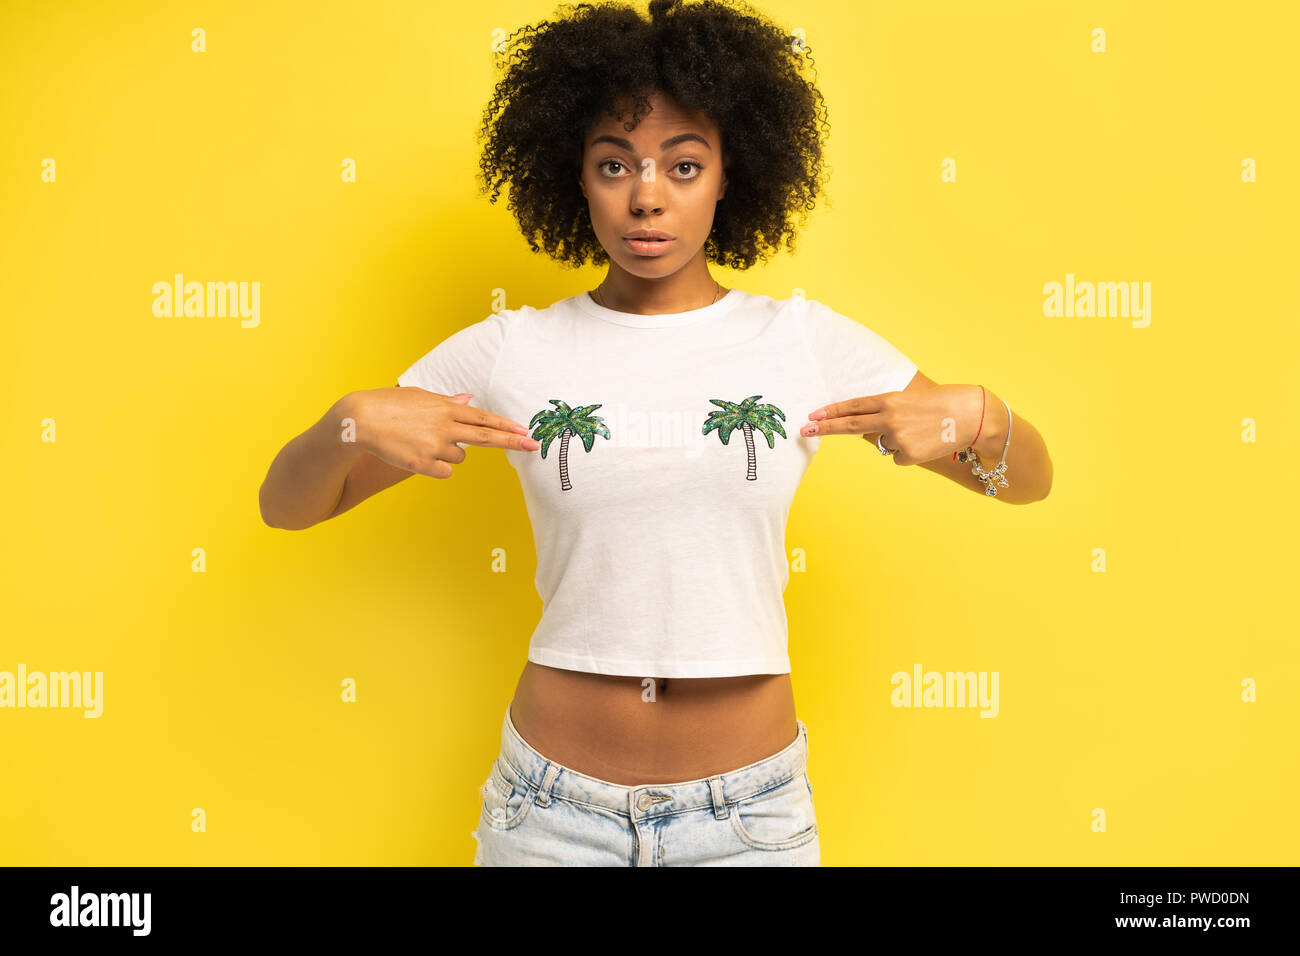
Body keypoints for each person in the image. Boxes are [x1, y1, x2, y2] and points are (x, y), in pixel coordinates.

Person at [258, 0, 1053, 866]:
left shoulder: (801, 339)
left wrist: (982, 416)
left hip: (750, 820)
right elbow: (289, 508)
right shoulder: (510, 348)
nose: (646, 197)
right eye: (614, 165)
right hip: (550, 814)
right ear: (577, 178)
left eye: (682, 166)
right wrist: (344, 427)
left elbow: (1019, 481)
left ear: (728, 178)